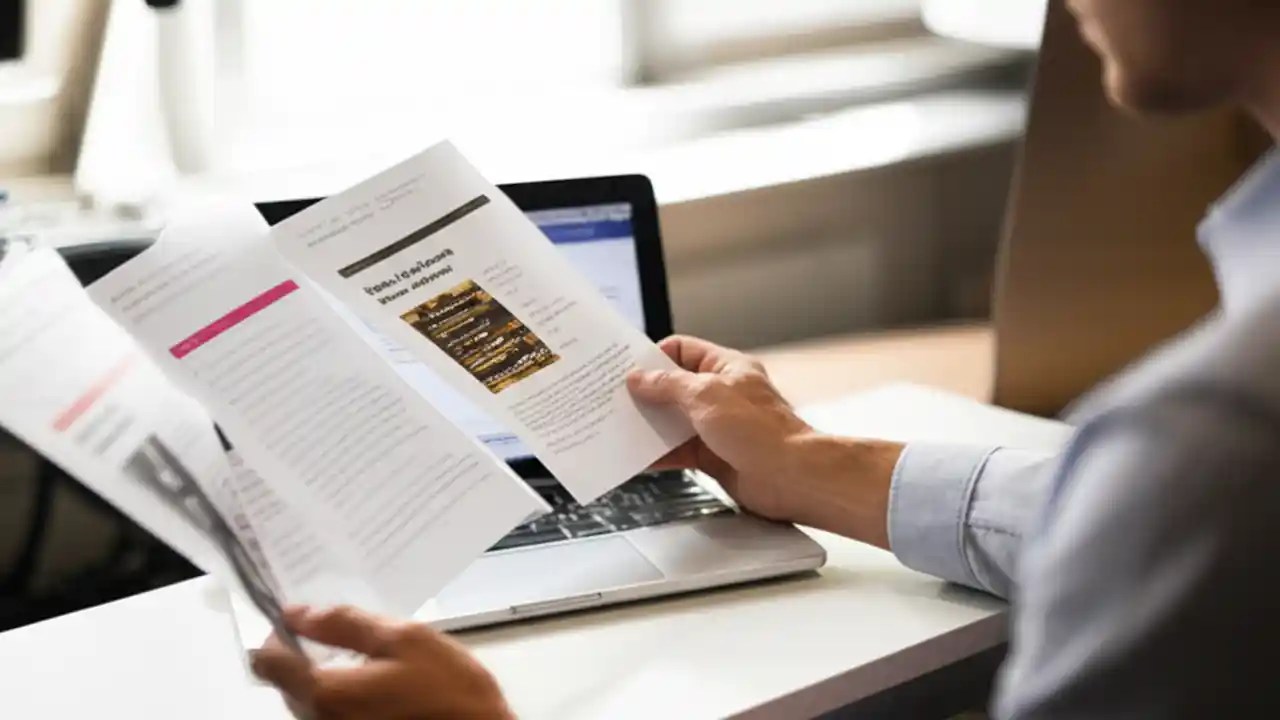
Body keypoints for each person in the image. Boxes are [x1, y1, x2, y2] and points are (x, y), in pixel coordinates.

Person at [252, 0, 1280, 716]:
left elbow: (1163, 508)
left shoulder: (1210, 442)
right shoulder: (1188, 452)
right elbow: (1114, 512)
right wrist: (809, 463)